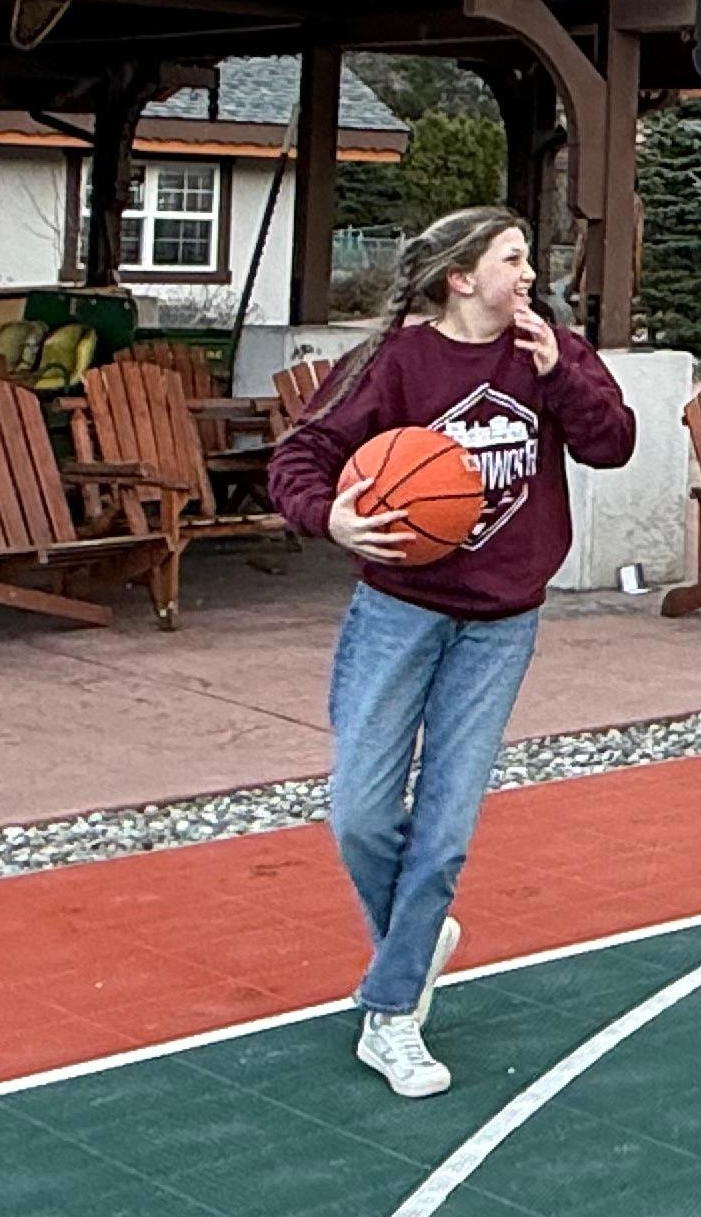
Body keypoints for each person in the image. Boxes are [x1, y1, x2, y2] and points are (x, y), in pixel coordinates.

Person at [268, 205, 641, 1100]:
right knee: (358, 810)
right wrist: (333, 515)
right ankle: (416, 934)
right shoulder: (398, 362)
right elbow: (302, 457)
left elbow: (614, 444)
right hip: (397, 610)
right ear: (460, 277)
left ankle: (391, 1015)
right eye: (511, 258)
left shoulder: (550, 349)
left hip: (500, 622)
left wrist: (563, 382)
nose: (527, 270)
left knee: (443, 830)